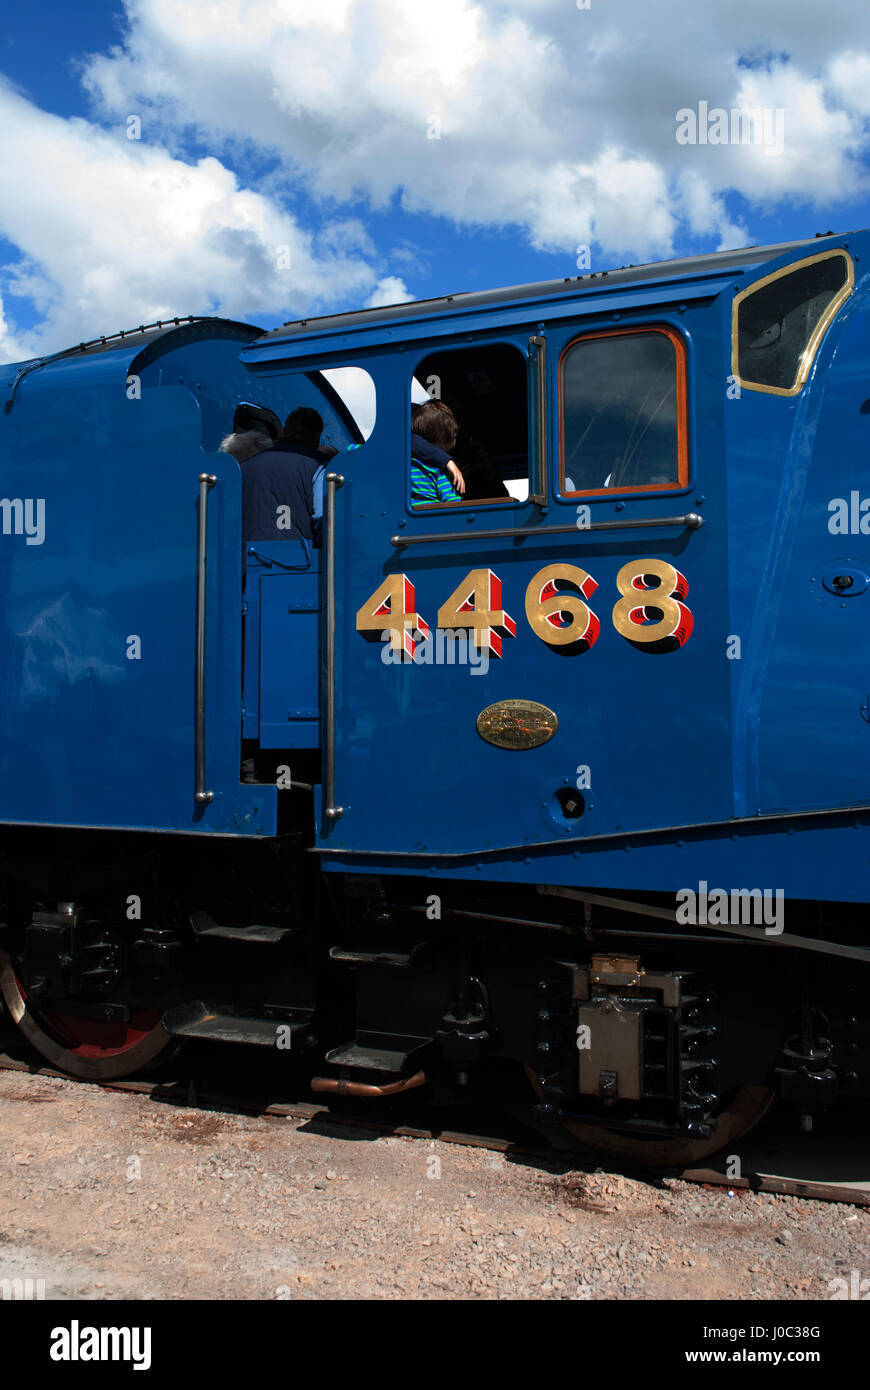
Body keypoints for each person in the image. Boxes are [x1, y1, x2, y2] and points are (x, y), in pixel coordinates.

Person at [242, 406, 326, 544]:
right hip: (302, 561)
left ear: (284, 431)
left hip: (249, 559)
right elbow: (321, 516)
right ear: (317, 437)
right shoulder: (319, 465)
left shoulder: (245, 466)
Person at [410, 400, 463, 504]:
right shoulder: (440, 470)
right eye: (455, 436)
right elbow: (453, 505)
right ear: (444, 436)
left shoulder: (407, 467)